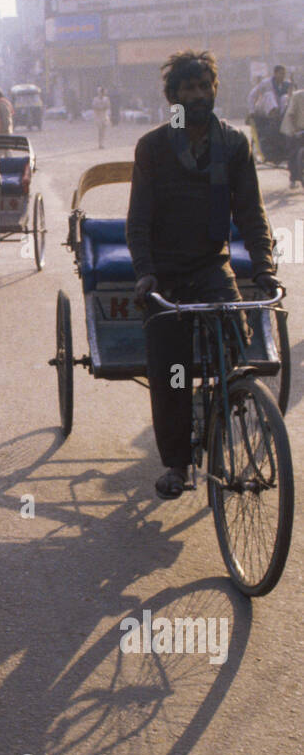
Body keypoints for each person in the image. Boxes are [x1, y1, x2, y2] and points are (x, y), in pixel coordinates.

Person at [127, 50, 278, 500]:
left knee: (238, 335)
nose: (195, 95)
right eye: (186, 89)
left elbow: (252, 213)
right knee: (171, 372)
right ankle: (177, 463)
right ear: (173, 97)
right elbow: (138, 221)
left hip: (212, 266)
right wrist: (146, 273)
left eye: (202, 87)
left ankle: (222, 401)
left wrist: (265, 267)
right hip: (166, 276)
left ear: (214, 89)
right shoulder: (153, 147)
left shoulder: (233, 144)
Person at [280, 83, 304, 188]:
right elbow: (291, 114)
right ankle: (293, 179)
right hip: (292, 128)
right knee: (293, 152)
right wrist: (295, 130)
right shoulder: (297, 96)